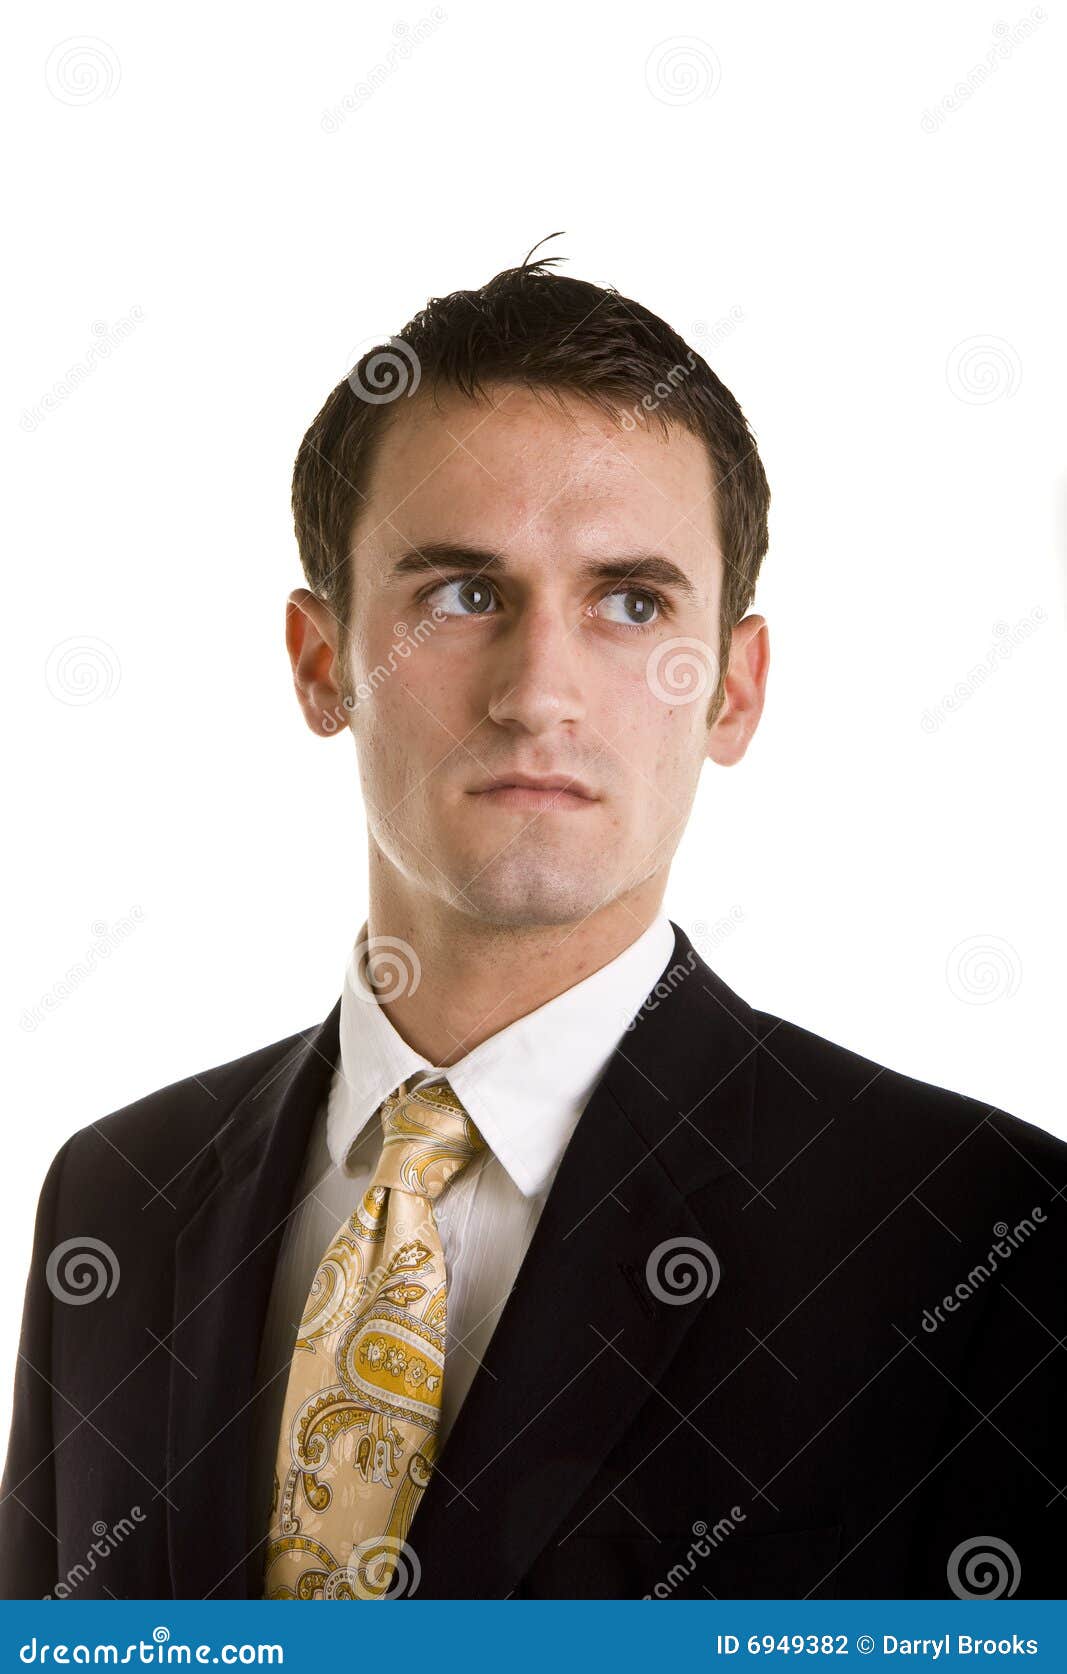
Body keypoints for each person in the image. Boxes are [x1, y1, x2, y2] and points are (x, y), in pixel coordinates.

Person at [2, 242, 1064, 1602]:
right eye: (462, 593)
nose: (539, 690)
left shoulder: (980, 1232)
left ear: (733, 690)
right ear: (322, 662)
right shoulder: (117, 1198)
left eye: (632, 602)